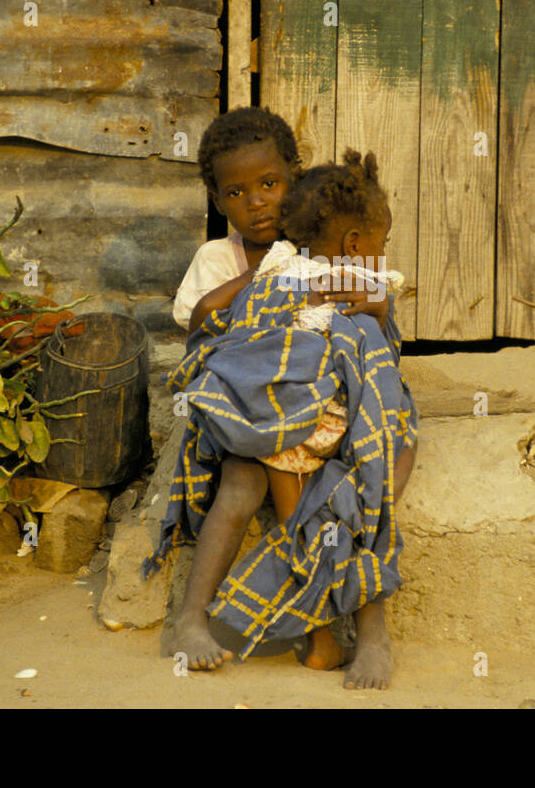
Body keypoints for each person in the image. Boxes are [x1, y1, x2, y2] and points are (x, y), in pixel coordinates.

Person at [150, 150, 418, 690]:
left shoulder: (300, 271)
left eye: (270, 185)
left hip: (286, 423)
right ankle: (365, 638)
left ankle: (203, 620)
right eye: (380, 244)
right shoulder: (288, 271)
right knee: (364, 491)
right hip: (283, 419)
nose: (256, 200)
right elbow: (218, 317)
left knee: (326, 486)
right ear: (355, 244)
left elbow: (374, 331)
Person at [171, 107, 301, 333]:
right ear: (218, 202)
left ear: (295, 177)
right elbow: (200, 332)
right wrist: (260, 273)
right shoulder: (215, 259)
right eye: (235, 193)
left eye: (268, 184)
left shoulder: (315, 247)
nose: (255, 203)